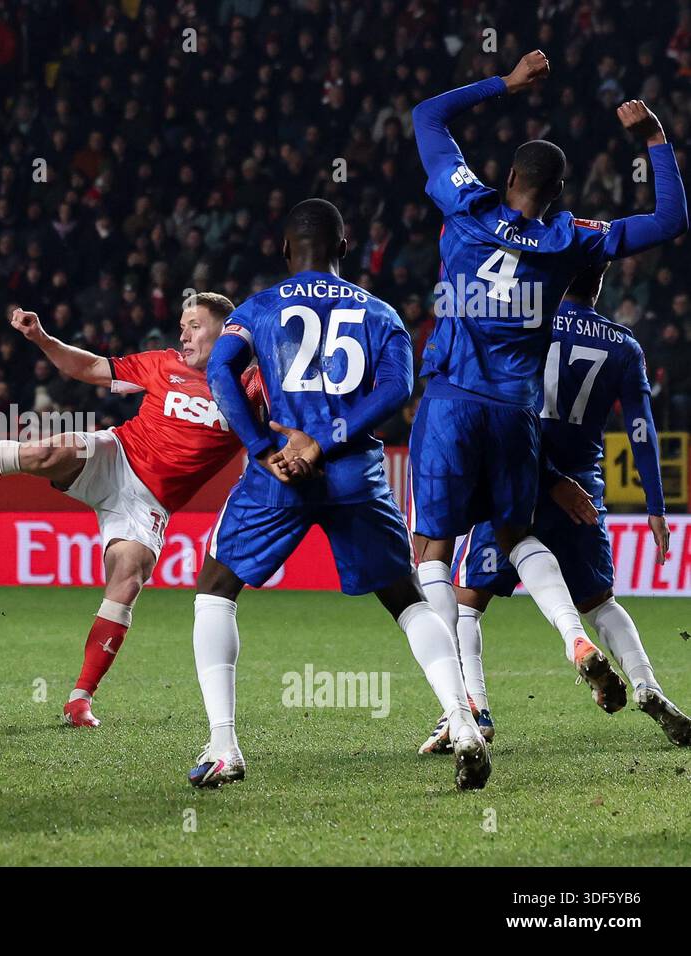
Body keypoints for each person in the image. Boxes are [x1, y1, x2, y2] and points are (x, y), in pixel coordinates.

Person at [407, 52, 688, 726]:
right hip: (516, 416)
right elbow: (669, 222)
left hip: (450, 401)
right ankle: (577, 641)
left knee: (435, 556)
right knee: (517, 534)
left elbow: (426, 114)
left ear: (506, 178)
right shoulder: (572, 240)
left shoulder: (464, 202)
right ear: (560, 194)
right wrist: (654, 139)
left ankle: (463, 707)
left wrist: (503, 85)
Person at [190, 197, 492, 791]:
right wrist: (325, 442)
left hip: (278, 474)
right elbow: (399, 388)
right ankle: (462, 723)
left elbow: (221, 372)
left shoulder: (257, 309)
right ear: (345, 248)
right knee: (406, 599)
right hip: (354, 472)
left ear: (285, 250)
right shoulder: (381, 313)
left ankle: (224, 745)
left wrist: (262, 447)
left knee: (216, 589)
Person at [0, 293, 261, 728]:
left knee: (128, 576)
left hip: (150, 503)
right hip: (118, 456)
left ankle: (80, 698)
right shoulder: (163, 364)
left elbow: (284, 427)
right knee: (56, 448)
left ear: (227, 331)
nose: (183, 334)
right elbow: (89, 367)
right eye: (182, 324)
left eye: (195, 325)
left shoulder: (252, 389)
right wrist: (42, 338)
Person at [435, 263, 690, 749]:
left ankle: (477, 712)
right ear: (600, 283)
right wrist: (655, 505)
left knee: (466, 604)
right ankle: (649, 688)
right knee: (602, 603)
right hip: (582, 494)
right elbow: (641, 429)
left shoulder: (523, 326)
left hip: (517, 483)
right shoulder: (623, 344)